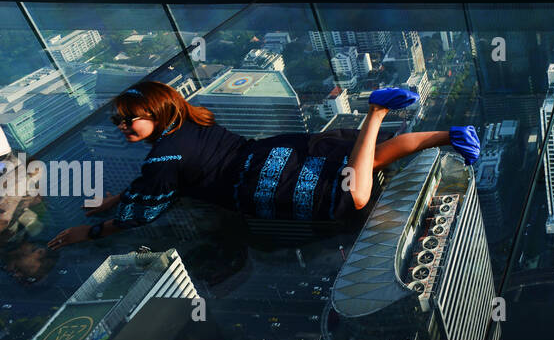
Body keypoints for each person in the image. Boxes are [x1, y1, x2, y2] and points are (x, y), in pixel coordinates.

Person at [47, 81, 481, 249]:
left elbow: (145, 208)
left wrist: (92, 231)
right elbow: (158, 183)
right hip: (284, 149)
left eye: (130, 119)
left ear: (157, 112)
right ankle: (452, 136)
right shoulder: (195, 119)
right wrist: (113, 199)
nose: (124, 127)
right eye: (119, 121)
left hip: (261, 182)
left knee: (355, 196)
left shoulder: (162, 158)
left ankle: (377, 112)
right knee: (374, 156)